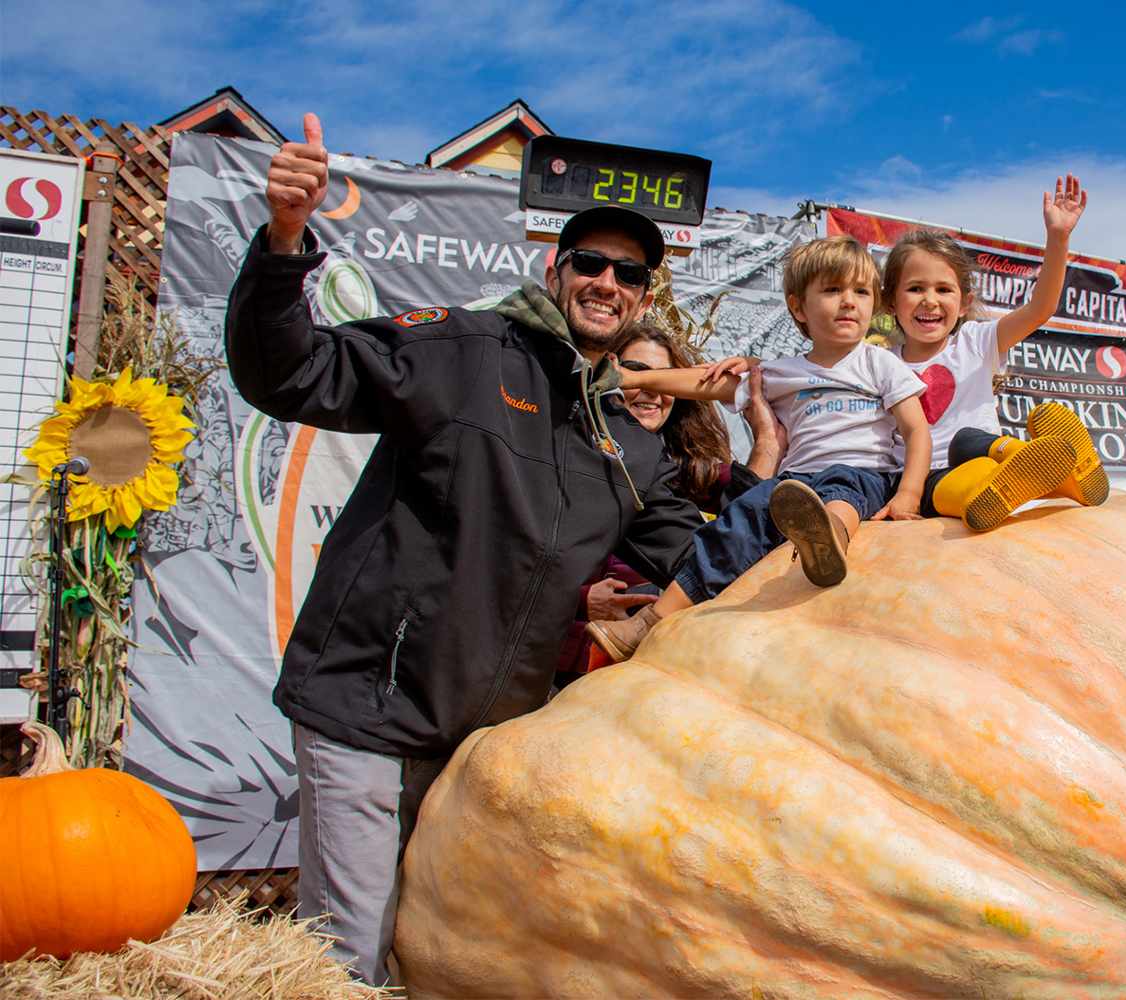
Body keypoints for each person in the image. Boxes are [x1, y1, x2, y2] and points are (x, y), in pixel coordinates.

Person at [224, 113, 703, 985]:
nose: (606, 281)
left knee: (438, 952)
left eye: (627, 274)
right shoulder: (463, 348)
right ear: (554, 271)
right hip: (368, 706)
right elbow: (290, 371)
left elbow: (691, 549)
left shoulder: (625, 442)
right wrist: (286, 240)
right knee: (350, 955)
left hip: (485, 747)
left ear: (641, 298)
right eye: (588, 263)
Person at [585, 235, 937, 663]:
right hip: (794, 485)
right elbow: (706, 384)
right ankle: (651, 620)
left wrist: (908, 495)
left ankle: (828, 542)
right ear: (798, 307)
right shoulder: (778, 372)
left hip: (864, 472)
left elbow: (917, 431)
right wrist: (635, 379)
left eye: (861, 292)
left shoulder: (880, 363)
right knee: (737, 520)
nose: (849, 302)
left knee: (844, 487)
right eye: (832, 290)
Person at [554, 321, 785, 680]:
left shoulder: (687, 470)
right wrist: (581, 599)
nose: (651, 389)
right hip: (563, 665)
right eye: (636, 374)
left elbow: (749, 526)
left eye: (664, 379)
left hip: (658, 669)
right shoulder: (564, 455)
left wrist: (767, 438)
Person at [883, 174, 1110, 531]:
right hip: (926, 477)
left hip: (987, 453)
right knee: (952, 485)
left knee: (968, 440)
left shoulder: (977, 341)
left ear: (963, 305)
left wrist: (1058, 238)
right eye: (915, 288)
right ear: (891, 302)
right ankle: (998, 490)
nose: (930, 300)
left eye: (944, 289)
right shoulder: (883, 363)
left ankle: (1065, 470)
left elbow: (1040, 309)